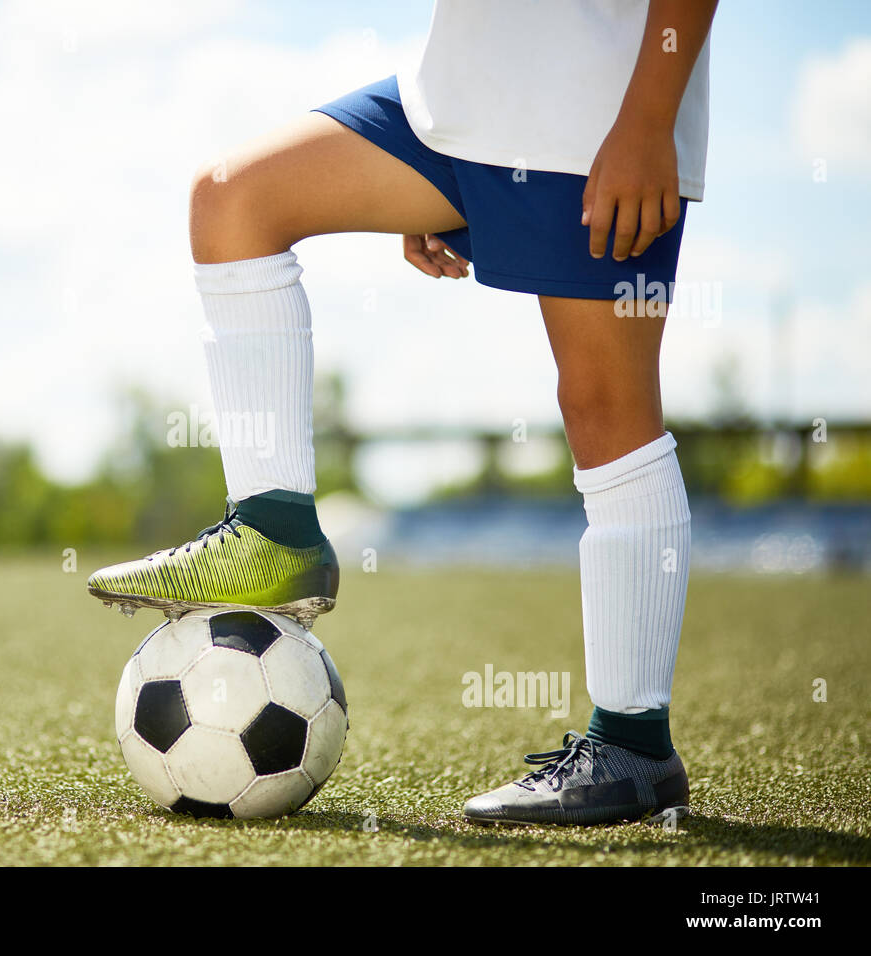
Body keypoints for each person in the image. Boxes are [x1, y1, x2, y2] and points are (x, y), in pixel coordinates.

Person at [89, 0, 717, 826]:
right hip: (449, 110)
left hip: (590, 115)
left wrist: (648, 119)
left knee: (606, 405)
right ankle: (273, 530)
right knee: (232, 199)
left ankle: (635, 741)